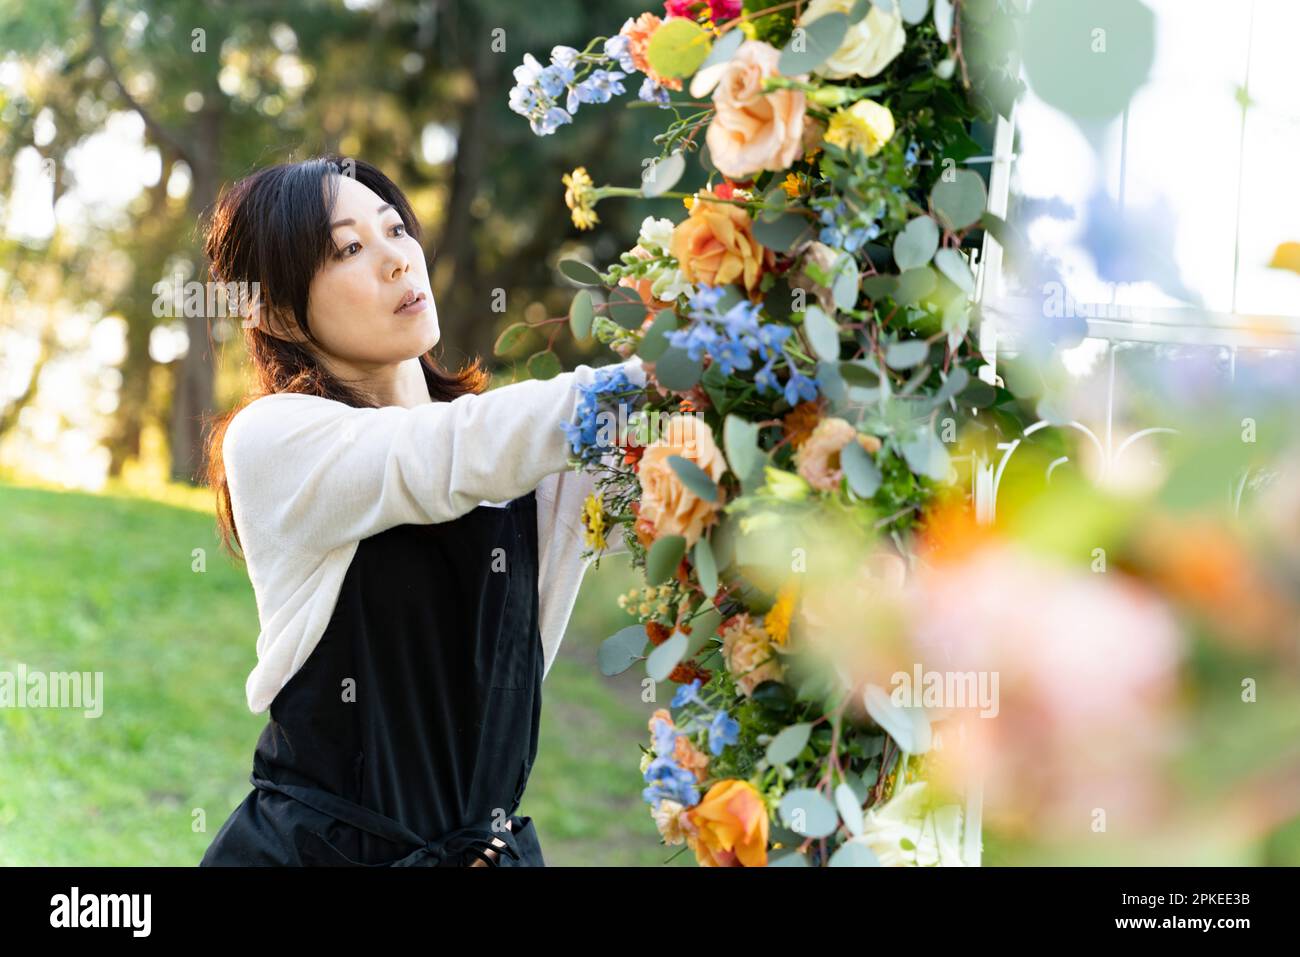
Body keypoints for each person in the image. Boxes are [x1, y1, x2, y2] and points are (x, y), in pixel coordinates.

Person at [197, 155, 643, 867]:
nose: (397, 260)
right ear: (275, 309)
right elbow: (436, 457)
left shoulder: (515, 456)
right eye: (348, 248)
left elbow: (674, 486)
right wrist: (655, 380)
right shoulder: (276, 440)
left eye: (396, 228)